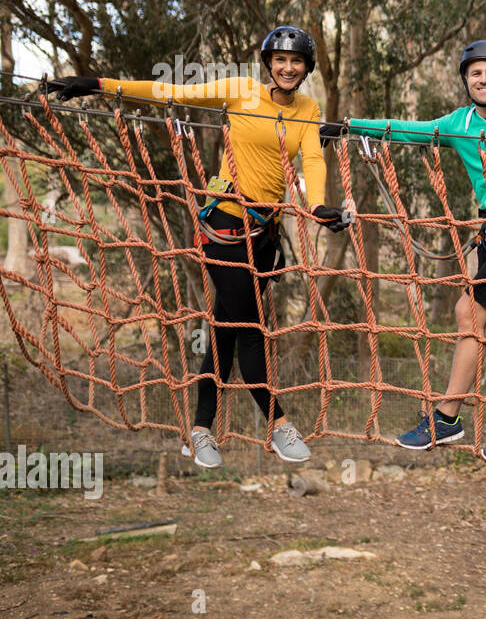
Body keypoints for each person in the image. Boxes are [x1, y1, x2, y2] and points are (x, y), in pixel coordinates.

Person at [46, 26, 352, 467]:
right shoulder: (242, 92)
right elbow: (168, 91)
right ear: (268, 63)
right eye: (280, 59)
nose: (288, 68)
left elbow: (313, 159)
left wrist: (319, 205)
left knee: (225, 332)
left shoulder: (308, 108)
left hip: (264, 238)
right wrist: (97, 84)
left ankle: (199, 431)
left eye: (297, 61)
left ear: (306, 68)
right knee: (249, 328)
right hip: (224, 229)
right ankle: (279, 423)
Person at [320, 40, 486, 464]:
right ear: (466, 81)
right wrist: (352, 126)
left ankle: (447, 417)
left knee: (468, 312)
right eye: (475, 74)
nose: (483, 79)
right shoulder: (459, 123)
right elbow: (410, 129)